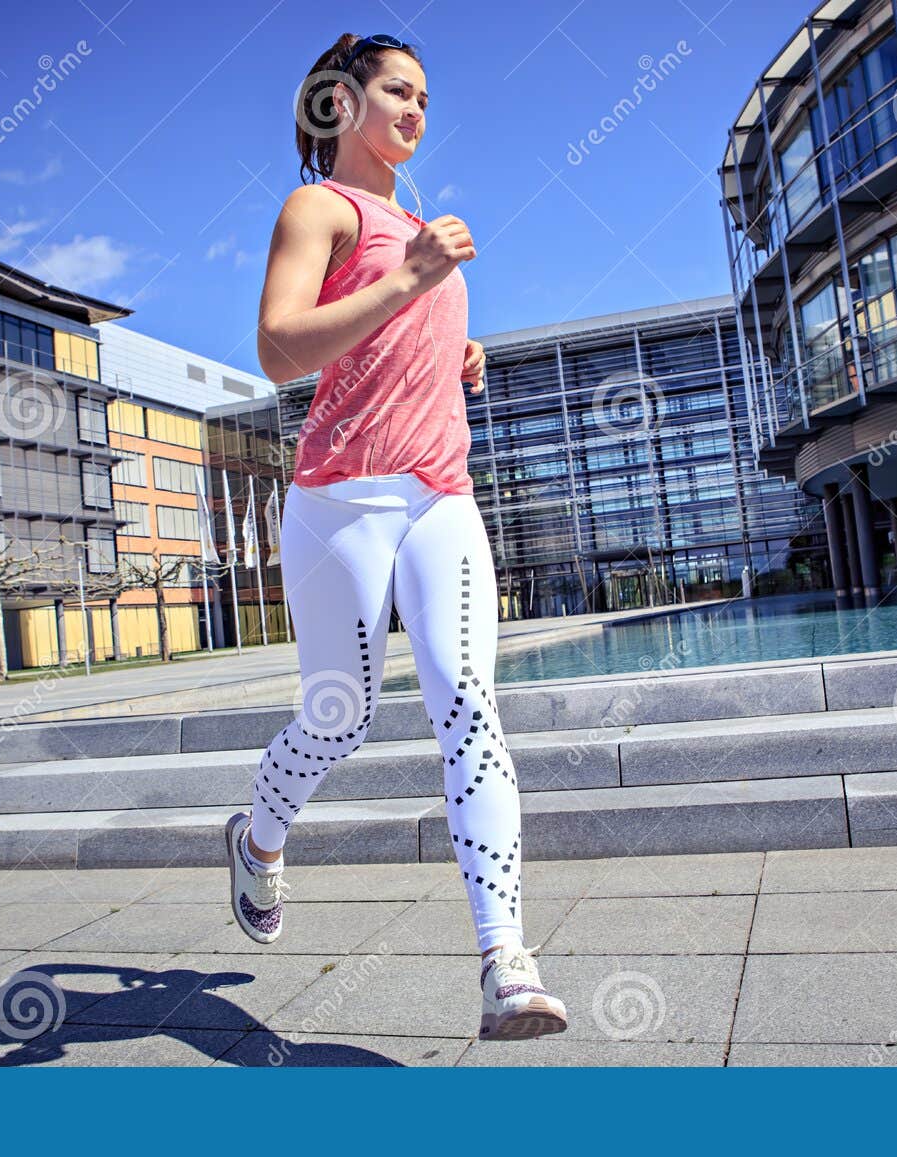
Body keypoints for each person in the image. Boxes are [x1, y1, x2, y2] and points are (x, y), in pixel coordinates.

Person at [223, 32, 568, 1042]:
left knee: (467, 702)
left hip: (439, 498)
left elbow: (383, 336)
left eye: (426, 95)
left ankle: (505, 958)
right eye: (398, 92)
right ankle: (258, 834)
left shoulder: (412, 222)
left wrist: (448, 349)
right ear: (342, 103)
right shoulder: (318, 208)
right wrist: (410, 283)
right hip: (341, 501)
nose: (419, 110)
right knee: (339, 717)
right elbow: (280, 347)